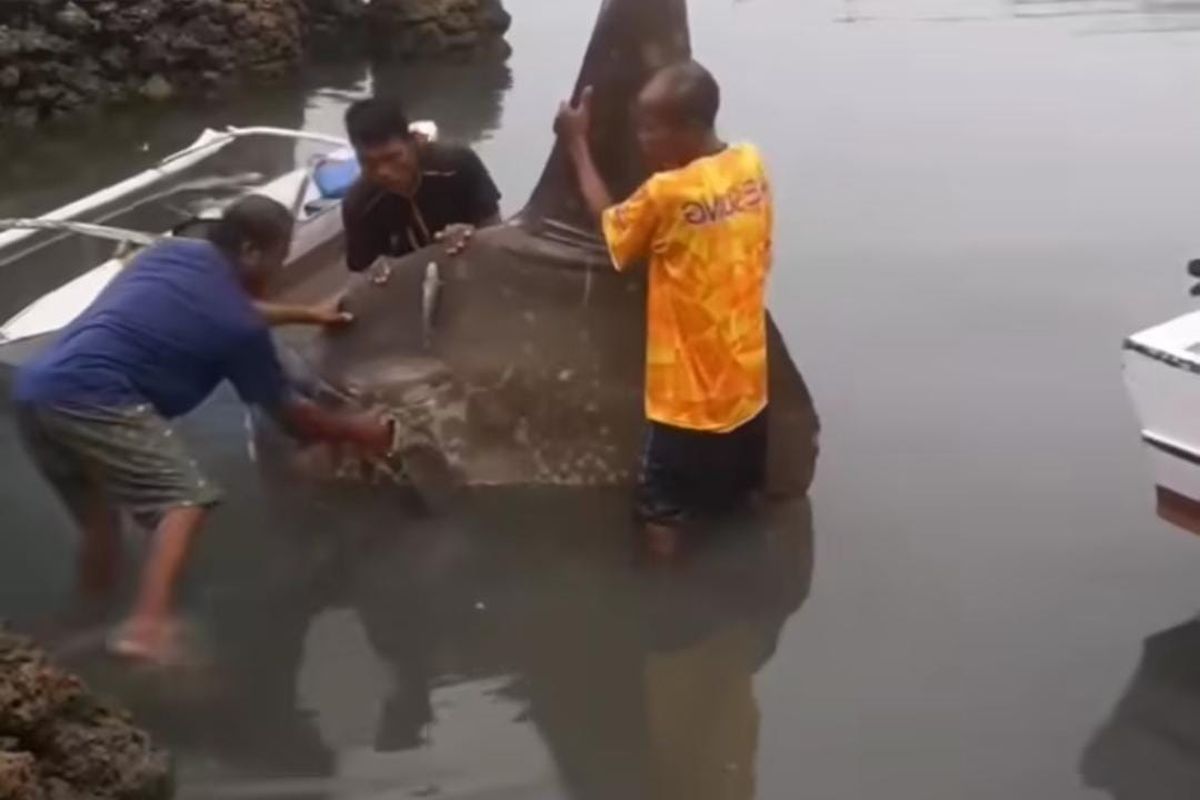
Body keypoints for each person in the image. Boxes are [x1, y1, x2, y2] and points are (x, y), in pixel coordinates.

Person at [13, 196, 394, 664]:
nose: (281, 265)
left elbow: (224, 307)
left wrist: (307, 315)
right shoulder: (238, 330)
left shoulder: (172, 255)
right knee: (186, 500)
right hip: (95, 396)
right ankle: (147, 626)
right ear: (254, 250)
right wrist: (360, 430)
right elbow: (292, 418)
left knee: (100, 520)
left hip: (35, 390)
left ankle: (78, 618)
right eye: (280, 253)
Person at [554, 61, 773, 549]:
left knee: (661, 511)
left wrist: (576, 144)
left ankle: (664, 606)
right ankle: (753, 586)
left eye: (650, 129)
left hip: (686, 400)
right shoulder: (751, 164)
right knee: (742, 496)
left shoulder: (665, 193)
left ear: (690, 129)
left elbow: (612, 228)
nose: (641, 140)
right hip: (748, 384)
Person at [341, 97, 503, 273]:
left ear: (415, 141)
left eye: (392, 157)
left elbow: (494, 226)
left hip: (473, 265)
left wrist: (472, 235)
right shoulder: (359, 204)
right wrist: (376, 269)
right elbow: (361, 270)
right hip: (410, 283)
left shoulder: (458, 164)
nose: (383, 172)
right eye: (369, 163)